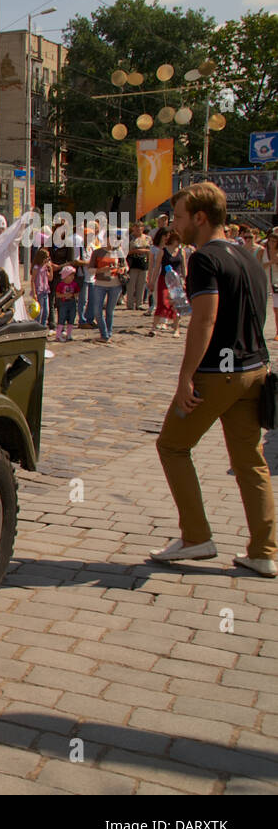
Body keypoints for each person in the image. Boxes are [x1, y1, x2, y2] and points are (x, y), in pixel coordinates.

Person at [152, 182, 276, 577]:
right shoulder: (249, 256)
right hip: (254, 370)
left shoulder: (205, 259)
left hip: (218, 375)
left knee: (172, 446)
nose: (176, 224)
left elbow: (205, 319)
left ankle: (196, 536)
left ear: (200, 218)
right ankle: (264, 550)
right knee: (250, 463)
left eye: (181, 217)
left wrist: (185, 376)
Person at [89, 240, 126, 342]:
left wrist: (122, 269)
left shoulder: (119, 252)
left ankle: (107, 334)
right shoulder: (97, 252)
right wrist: (101, 270)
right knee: (97, 311)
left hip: (115, 284)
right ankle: (104, 333)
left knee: (110, 311)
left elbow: (125, 266)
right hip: (100, 284)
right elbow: (90, 269)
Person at [153, 231, 187, 337]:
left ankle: (176, 328)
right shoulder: (163, 251)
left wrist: (186, 280)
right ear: (173, 240)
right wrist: (152, 281)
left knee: (176, 304)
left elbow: (184, 267)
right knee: (162, 302)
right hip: (164, 279)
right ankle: (154, 327)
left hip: (176, 281)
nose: (179, 243)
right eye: (178, 240)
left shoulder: (181, 251)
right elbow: (157, 267)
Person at [125, 221, 151, 310]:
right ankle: (130, 304)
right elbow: (125, 251)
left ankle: (139, 303)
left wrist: (143, 251)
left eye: (140, 228)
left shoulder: (147, 238)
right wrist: (136, 251)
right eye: (136, 227)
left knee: (141, 284)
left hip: (143, 263)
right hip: (132, 263)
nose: (138, 229)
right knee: (131, 285)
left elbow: (151, 250)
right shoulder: (129, 238)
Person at [53, 264, 79, 341]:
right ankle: (58, 335)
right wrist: (64, 295)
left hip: (72, 303)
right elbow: (57, 295)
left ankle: (69, 334)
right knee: (62, 318)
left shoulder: (74, 284)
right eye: (70, 276)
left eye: (73, 276)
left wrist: (73, 295)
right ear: (65, 276)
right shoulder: (60, 285)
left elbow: (77, 293)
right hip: (63, 303)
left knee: (71, 318)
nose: (72, 277)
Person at [30, 249, 51, 327]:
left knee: (46, 311)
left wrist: (50, 269)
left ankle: (43, 325)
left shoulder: (45, 267)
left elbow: (50, 278)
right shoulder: (36, 267)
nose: (48, 260)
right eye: (47, 258)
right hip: (39, 290)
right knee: (39, 311)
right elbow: (32, 280)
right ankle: (37, 326)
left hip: (45, 290)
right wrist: (34, 292)